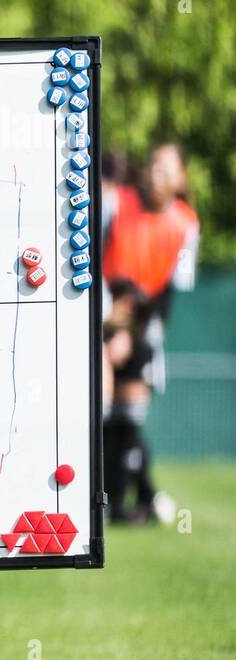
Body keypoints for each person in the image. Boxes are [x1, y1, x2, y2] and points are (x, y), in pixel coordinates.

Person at [101, 142, 198, 524]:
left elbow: (171, 288)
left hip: (141, 326)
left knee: (129, 414)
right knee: (103, 412)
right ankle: (128, 498)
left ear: (180, 178)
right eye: (153, 164)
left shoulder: (187, 224)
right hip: (102, 320)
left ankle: (127, 500)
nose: (156, 172)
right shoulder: (118, 203)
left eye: (166, 167)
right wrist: (110, 326)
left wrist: (134, 332)